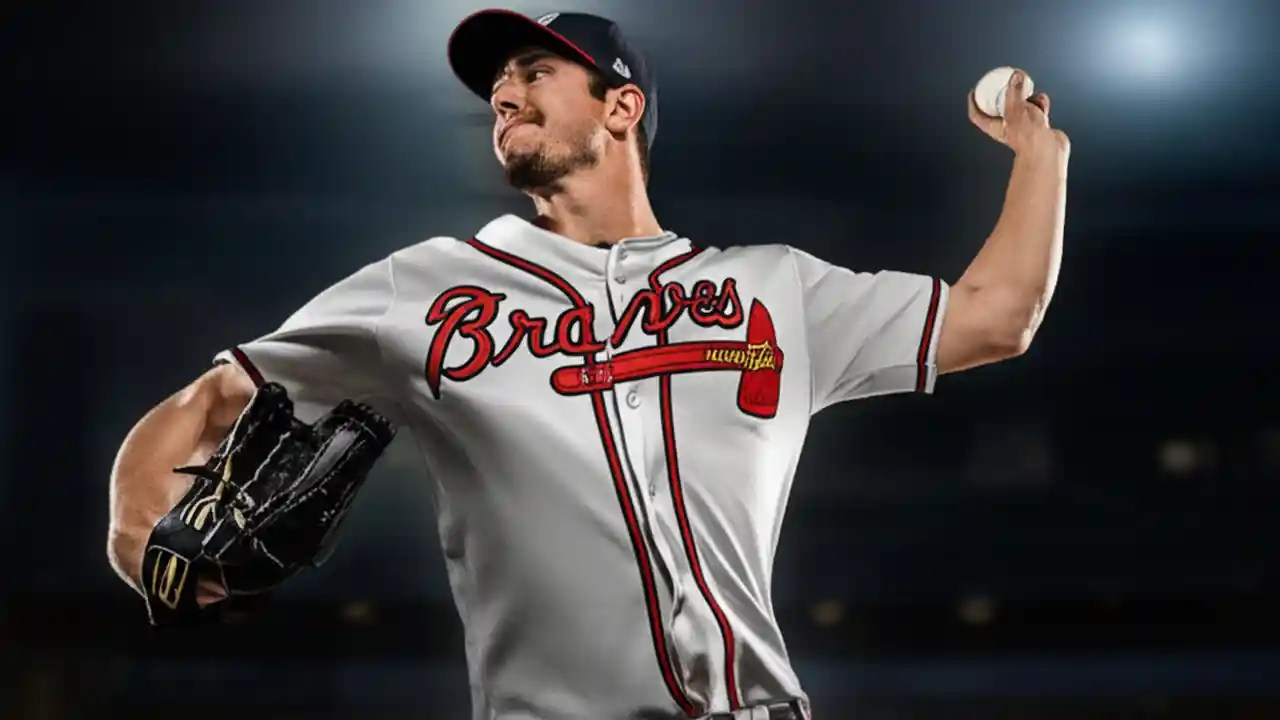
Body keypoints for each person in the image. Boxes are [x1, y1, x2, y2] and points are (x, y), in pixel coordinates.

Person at [106, 8, 1069, 720]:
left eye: (532, 71)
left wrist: (1041, 156)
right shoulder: (428, 287)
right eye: (498, 86)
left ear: (622, 105)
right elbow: (210, 398)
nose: (504, 94)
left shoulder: (776, 290)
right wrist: (137, 528)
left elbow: (997, 317)